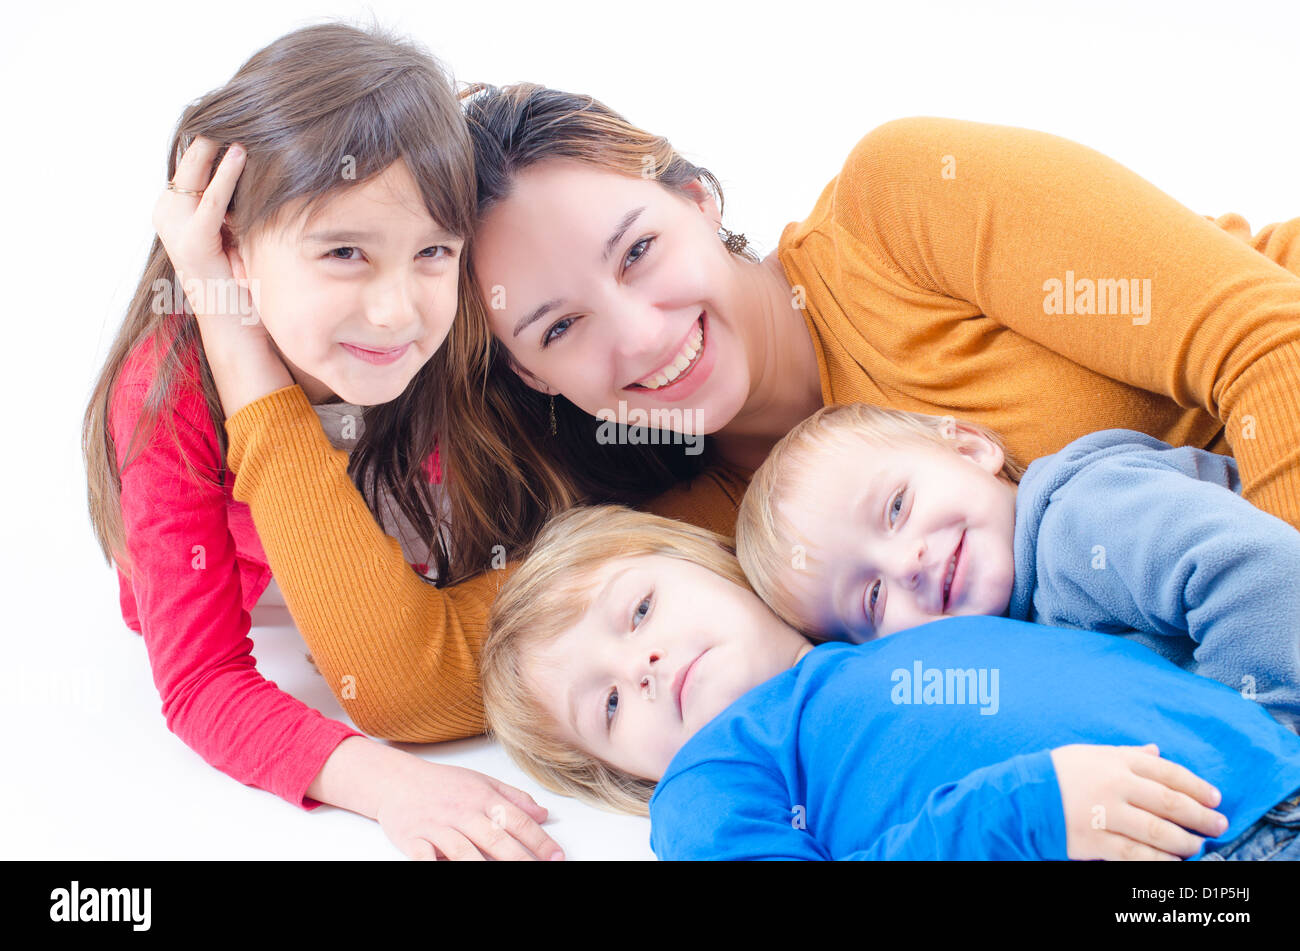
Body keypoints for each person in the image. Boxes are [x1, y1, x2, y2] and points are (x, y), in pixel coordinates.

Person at [158, 85, 1300, 759]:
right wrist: (232, 328)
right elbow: (397, 682)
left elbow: (1267, 344)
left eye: (639, 252)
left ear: (694, 198)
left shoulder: (901, 209)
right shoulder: (705, 534)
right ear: (535, 380)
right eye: (558, 329)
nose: (642, 339)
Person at [83, 22, 563, 861]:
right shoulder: (170, 388)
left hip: (400, 560)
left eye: (431, 251)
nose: (396, 310)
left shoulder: (457, 336)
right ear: (227, 246)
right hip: (254, 587)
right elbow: (201, 682)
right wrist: (391, 785)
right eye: (344, 251)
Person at [479, 506, 1300, 861]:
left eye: (641, 610)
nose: (643, 665)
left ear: (712, 564)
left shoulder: (893, 618)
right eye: (611, 705)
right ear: (626, 773)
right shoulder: (710, 779)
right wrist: (1028, 811)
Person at [732, 403, 1300, 733]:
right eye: (873, 597)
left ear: (970, 450)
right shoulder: (1023, 642)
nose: (907, 564)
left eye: (897, 508)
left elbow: (1261, 578)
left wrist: (1253, 750)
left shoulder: (1080, 519)